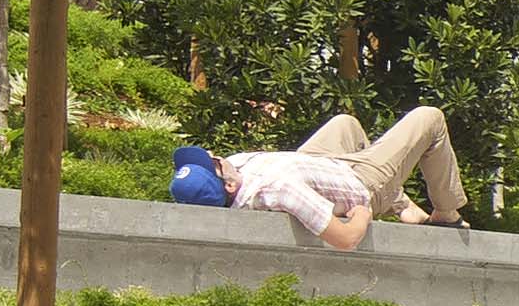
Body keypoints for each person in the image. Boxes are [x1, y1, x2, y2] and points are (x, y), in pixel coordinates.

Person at [184, 104, 464, 246]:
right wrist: (362, 216)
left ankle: (402, 205)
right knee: (429, 117)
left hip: (321, 163)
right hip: (362, 184)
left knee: (346, 125)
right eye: (214, 162)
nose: (213, 154)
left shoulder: (236, 170)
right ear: (230, 185)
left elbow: (221, 169)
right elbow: (345, 239)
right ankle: (446, 212)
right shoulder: (277, 190)